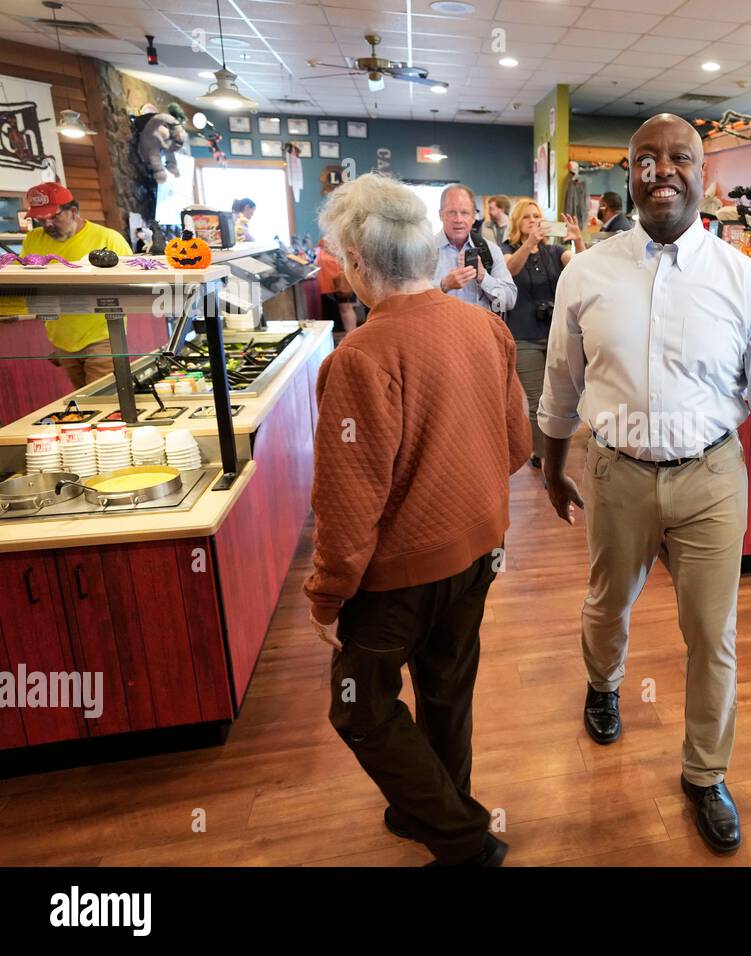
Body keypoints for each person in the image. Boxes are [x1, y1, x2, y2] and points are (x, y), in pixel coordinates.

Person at [538, 114, 751, 854]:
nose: (662, 171)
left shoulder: (743, 280)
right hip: (617, 473)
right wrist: (551, 467)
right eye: (646, 159)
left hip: (710, 476)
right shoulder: (587, 273)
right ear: (628, 174)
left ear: (705, 174)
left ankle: (705, 775)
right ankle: (603, 685)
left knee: (712, 634)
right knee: (609, 604)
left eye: (680, 158)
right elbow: (561, 384)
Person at [306, 172, 532, 867]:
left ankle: (461, 839)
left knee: (359, 707)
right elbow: (518, 446)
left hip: (398, 577)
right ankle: (433, 806)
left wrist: (325, 594)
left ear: (357, 259)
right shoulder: (484, 327)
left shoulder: (361, 356)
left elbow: (349, 503)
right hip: (479, 552)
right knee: (445, 686)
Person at [21, 181, 132, 389]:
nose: (47, 225)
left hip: (103, 335)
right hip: (61, 338)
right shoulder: (32, 240)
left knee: (103, 403)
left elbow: (131, 287)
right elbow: (28, 283)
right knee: (85, 404)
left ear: (73, 211)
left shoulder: (108, 238)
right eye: (40, 220)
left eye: (53, 217)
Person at [501, 201, 585, 470]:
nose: (533, 221)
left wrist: (578, 240)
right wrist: (528, 244)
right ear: (517, 222)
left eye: (537, 216)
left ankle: (549, 450)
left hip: (556, 334)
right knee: (538, 400)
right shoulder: (508, 250)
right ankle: (544, 455)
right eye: (526, 217)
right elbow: (510, 270)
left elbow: (583, 267)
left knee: (561, 397)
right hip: (524, 336)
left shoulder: (554, 251)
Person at [433, 183, 516, 315]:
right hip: (438, 332)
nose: (458, 219)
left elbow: (509, 301)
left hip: (480, 333)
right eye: (451, 212)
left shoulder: (491, 251)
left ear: (473, 217)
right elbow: (408, 298)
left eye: (465, 213)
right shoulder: (423, 251)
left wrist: (483, 277)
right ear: (440, 215)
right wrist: (444, 285)